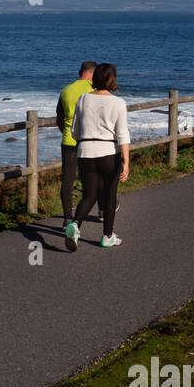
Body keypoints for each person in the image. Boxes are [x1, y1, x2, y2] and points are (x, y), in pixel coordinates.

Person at [65, 63, 130, 250]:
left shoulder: (83, 99)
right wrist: (126, 161)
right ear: (112, 79)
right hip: (109, 153)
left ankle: (75, 225)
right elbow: (122, 134)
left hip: (85, 152)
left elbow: (75, 131)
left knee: (89, 194)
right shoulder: (118, 103)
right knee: (109, 195)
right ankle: (108, 236)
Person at [55, 60, 96, 226]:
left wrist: (66, 131)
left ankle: (67, 217)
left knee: (67, 181)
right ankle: (100, 210)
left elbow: (59, 118)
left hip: (68, 141)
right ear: (91, 73)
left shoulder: (66, 90)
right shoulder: (93, 91)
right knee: (94, 178)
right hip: (88, 140)